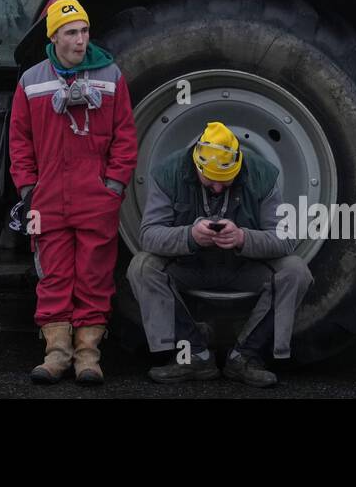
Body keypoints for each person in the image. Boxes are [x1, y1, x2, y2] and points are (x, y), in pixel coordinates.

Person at [8, 0, 137, 384]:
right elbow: (20, 141)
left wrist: (112, 187)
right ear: (55, 38)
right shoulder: (32, 82)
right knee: (54, 277)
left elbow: (125, 138)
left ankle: (88, 357)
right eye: (71, 33)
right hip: (47, 200)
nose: (81, 41)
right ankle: (57, 355)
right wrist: (29, 188)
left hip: (94, 198)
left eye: (84, 32)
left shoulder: (111, 76)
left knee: (94, 276)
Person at [128, 122, 314, 386]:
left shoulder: (263, 175)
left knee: (295, 271)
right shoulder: (168, 173)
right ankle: (194, 355)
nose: (217, 188)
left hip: (243, 267)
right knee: (142, 266)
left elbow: (284, 239)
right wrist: (190, 236)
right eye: (210, 180)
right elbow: (148, 235)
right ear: (197, 165)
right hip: (188, 266)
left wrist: (242, 238)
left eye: (225, 180)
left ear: (238, 166)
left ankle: (245, 357)